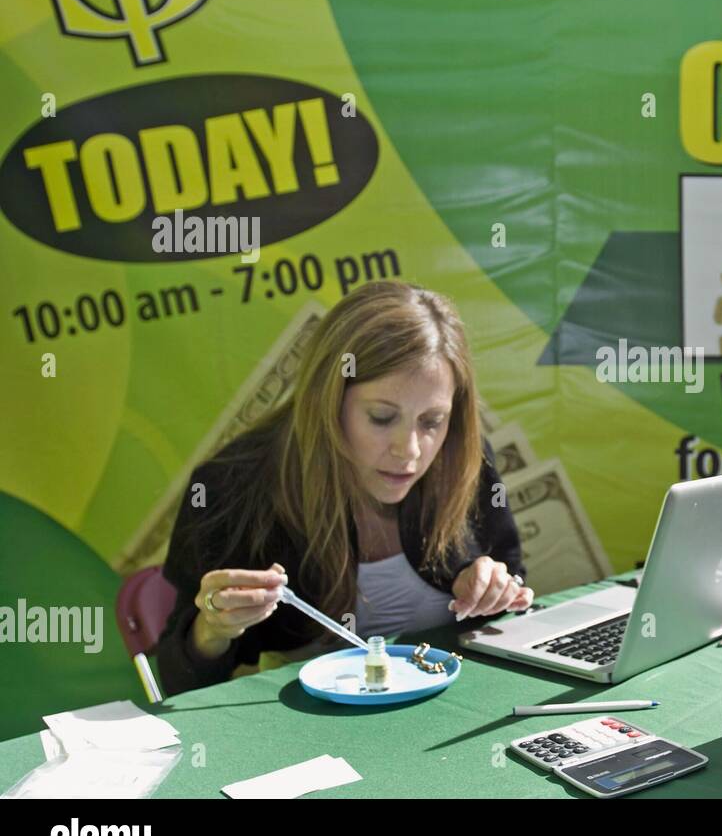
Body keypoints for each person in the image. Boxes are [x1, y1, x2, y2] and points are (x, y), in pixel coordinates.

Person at [155, 281, 532, 695]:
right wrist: (212, 628)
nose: (409, 451)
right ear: (328, 401)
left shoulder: (464, 457)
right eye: (382, 417)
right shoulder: (231, 486)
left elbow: (511, 597)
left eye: (431, 421)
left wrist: (492, 591)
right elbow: (178, 681)